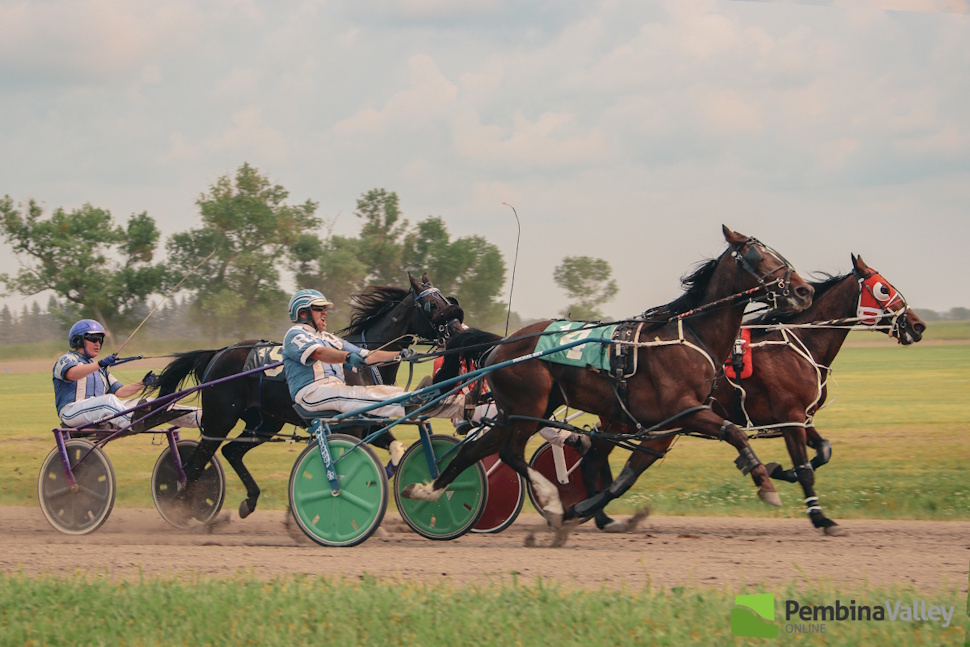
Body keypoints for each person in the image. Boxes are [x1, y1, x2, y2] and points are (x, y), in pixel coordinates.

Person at [282, 289, 463, 421]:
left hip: (334, 390)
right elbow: (319, 353)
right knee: (357, 394)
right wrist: (346, 357)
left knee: (388, 391)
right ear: (303, 313)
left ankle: (459, 407)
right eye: (318, 308)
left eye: (324, 308)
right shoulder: (295, 334)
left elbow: (368, 355)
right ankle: (408, 404)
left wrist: (401, 355)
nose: (324, 312)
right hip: (312, 394)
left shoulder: (329, 338)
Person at [53, 319, 198, 429]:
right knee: (108, 400)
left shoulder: (101, 370)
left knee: (149, 402)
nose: (98, 343)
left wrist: (143, 382)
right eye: (93, 339)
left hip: (98, 412)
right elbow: (72, 374)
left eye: (100, 339)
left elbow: (121, 391)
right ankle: (133, 421)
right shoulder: (67, 359)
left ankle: (201, 418)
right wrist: (100, 364)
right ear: (78, 340)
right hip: (71, 412)